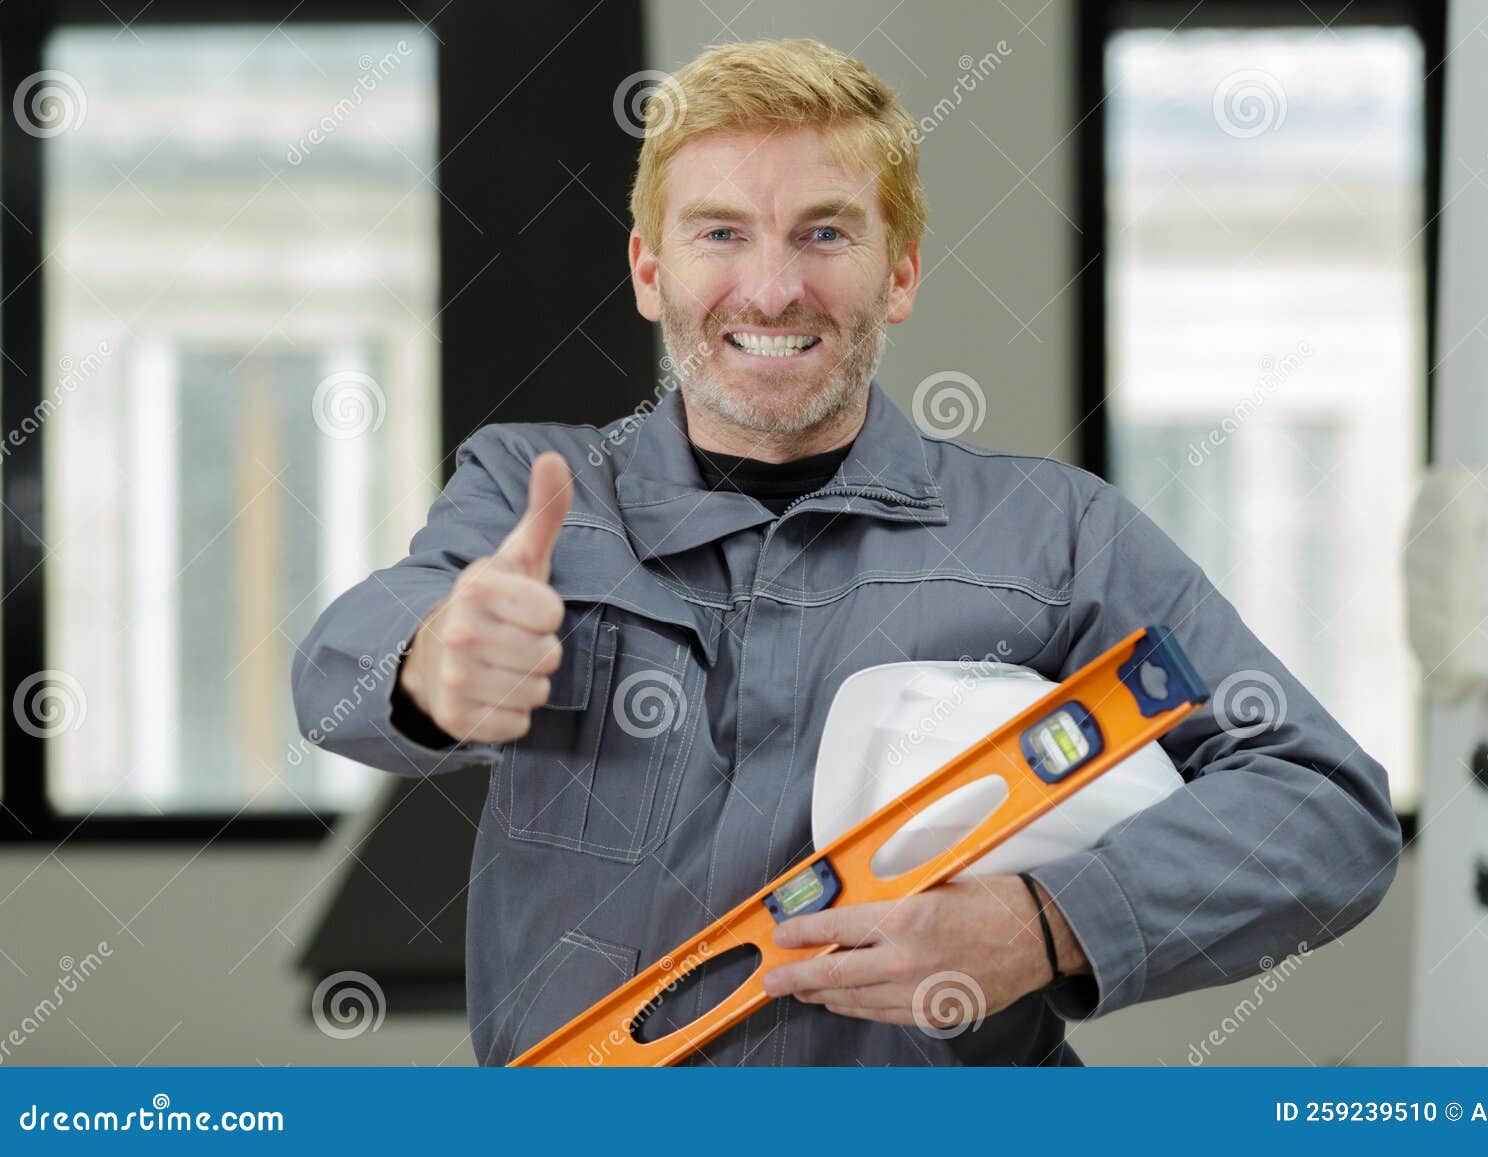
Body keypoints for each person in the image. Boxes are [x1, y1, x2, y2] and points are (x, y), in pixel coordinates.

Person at [291, 37, 1400, 1066]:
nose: (772, 288)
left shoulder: (1059, 535)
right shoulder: (533, 492)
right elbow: (332, 675)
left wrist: (1046, 924)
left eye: (825, 232)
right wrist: (432, 661)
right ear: (647, 270)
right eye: (720, 231)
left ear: (900, 274)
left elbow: (1325, 809)